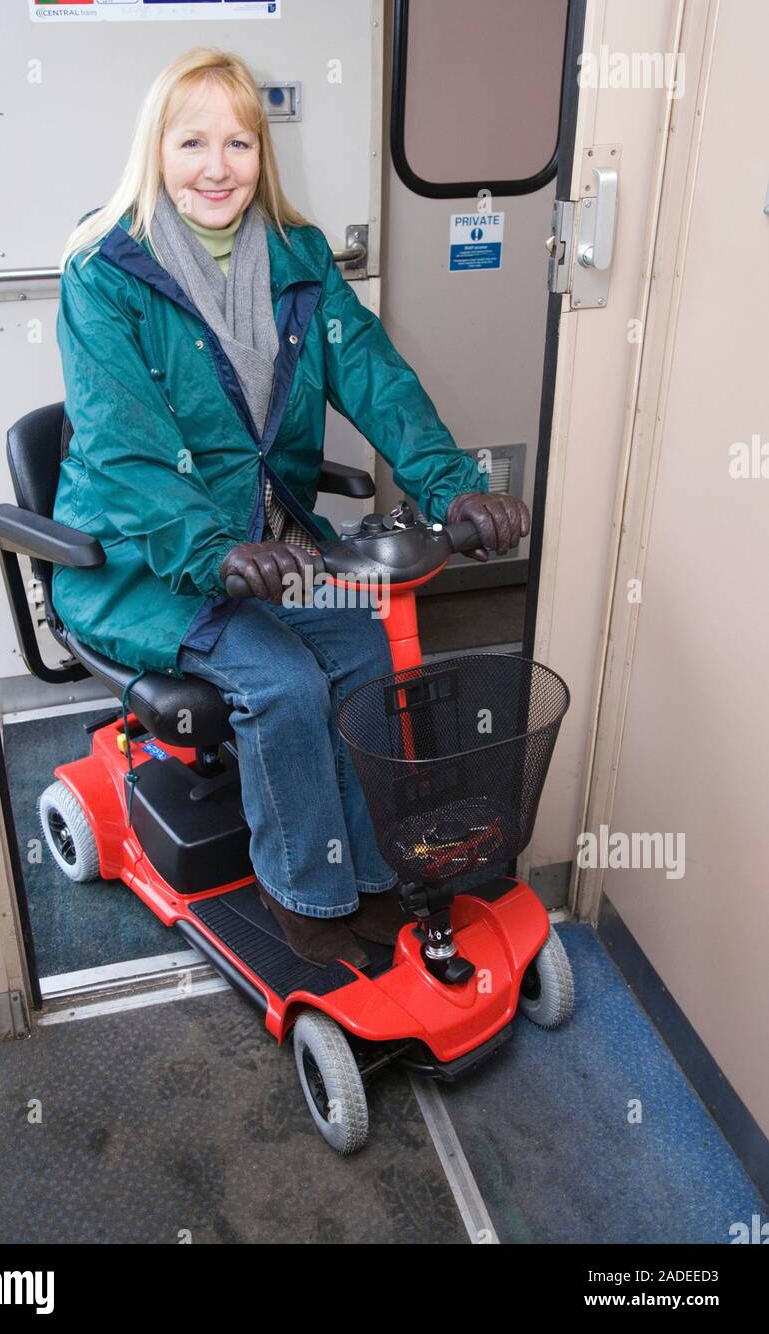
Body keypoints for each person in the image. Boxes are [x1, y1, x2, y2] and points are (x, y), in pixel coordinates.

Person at [53, 47, 530, 968]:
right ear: (156, 149)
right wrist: (215, 552)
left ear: (261, 154)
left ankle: (371, 876)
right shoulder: (102, 272)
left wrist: (452, 482)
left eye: (239, 142)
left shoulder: (301, 259)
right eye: (192, 141)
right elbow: (125, 447)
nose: (217, 166)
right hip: (147, 563)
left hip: (276, 551)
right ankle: (306, 895)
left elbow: (378, 380)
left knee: (360, 654)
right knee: (282, 680)